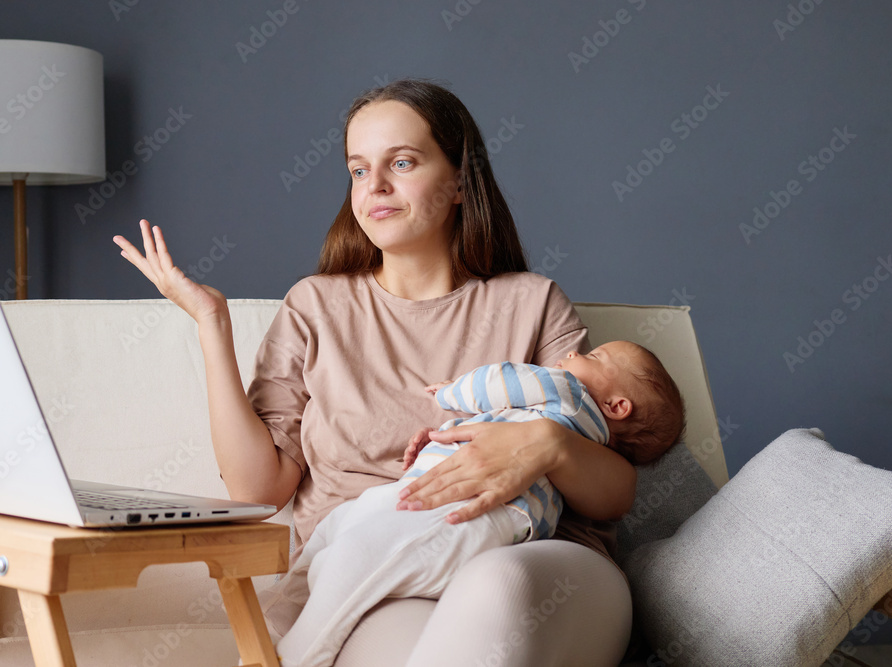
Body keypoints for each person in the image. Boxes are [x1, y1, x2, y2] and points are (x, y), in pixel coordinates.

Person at [114, 78, 637, 666]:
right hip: (377, 573)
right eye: (359, 170)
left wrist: (547, 445)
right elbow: (256, 492)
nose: (376, 186)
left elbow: (615, 495)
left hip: (535, 557)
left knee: (492, 588)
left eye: (403, 162)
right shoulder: (315, 306)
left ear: (462, 180)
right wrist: (211, 324)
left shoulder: (532, 301)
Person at [275, 341, 685, 667]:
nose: (576, 353)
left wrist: (452, 392)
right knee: (342, 527)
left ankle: (296, 654)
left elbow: (501, 380)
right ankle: (279, 618)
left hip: (475, 509)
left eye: (594, 356)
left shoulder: (568, 392)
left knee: (357, 551)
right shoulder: (579, 430)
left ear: (616, 406)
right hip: (473, 514)